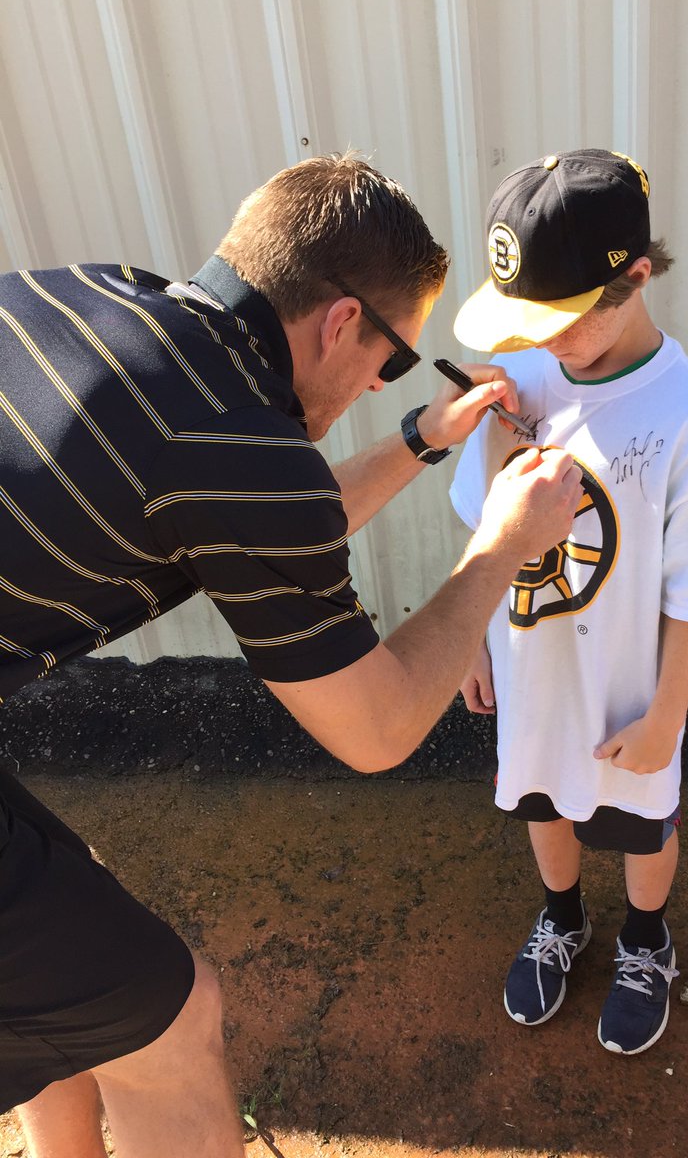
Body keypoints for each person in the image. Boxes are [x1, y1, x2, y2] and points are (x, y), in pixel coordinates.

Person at [0, 153, 582, 1156]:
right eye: (393, 361)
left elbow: (272, 524)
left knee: (70, 969)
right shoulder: (237, 452)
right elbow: (380, 728)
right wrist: (500, 548)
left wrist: (419, 439)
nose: (376, 385)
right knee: (170, 1019)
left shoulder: (93, 298)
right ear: (344, 321)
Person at [451, 148, 688, 1056]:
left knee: (636, 816)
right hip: (530, 661)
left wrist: (667, 713)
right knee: (544, 800)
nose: (542, 340)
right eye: (525, 318)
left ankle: (645, 940)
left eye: (562, 318)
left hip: (629, 686)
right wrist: (469, 637)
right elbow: (482, 522)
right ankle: (562, 918)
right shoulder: (524, 381)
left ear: (635, 277)